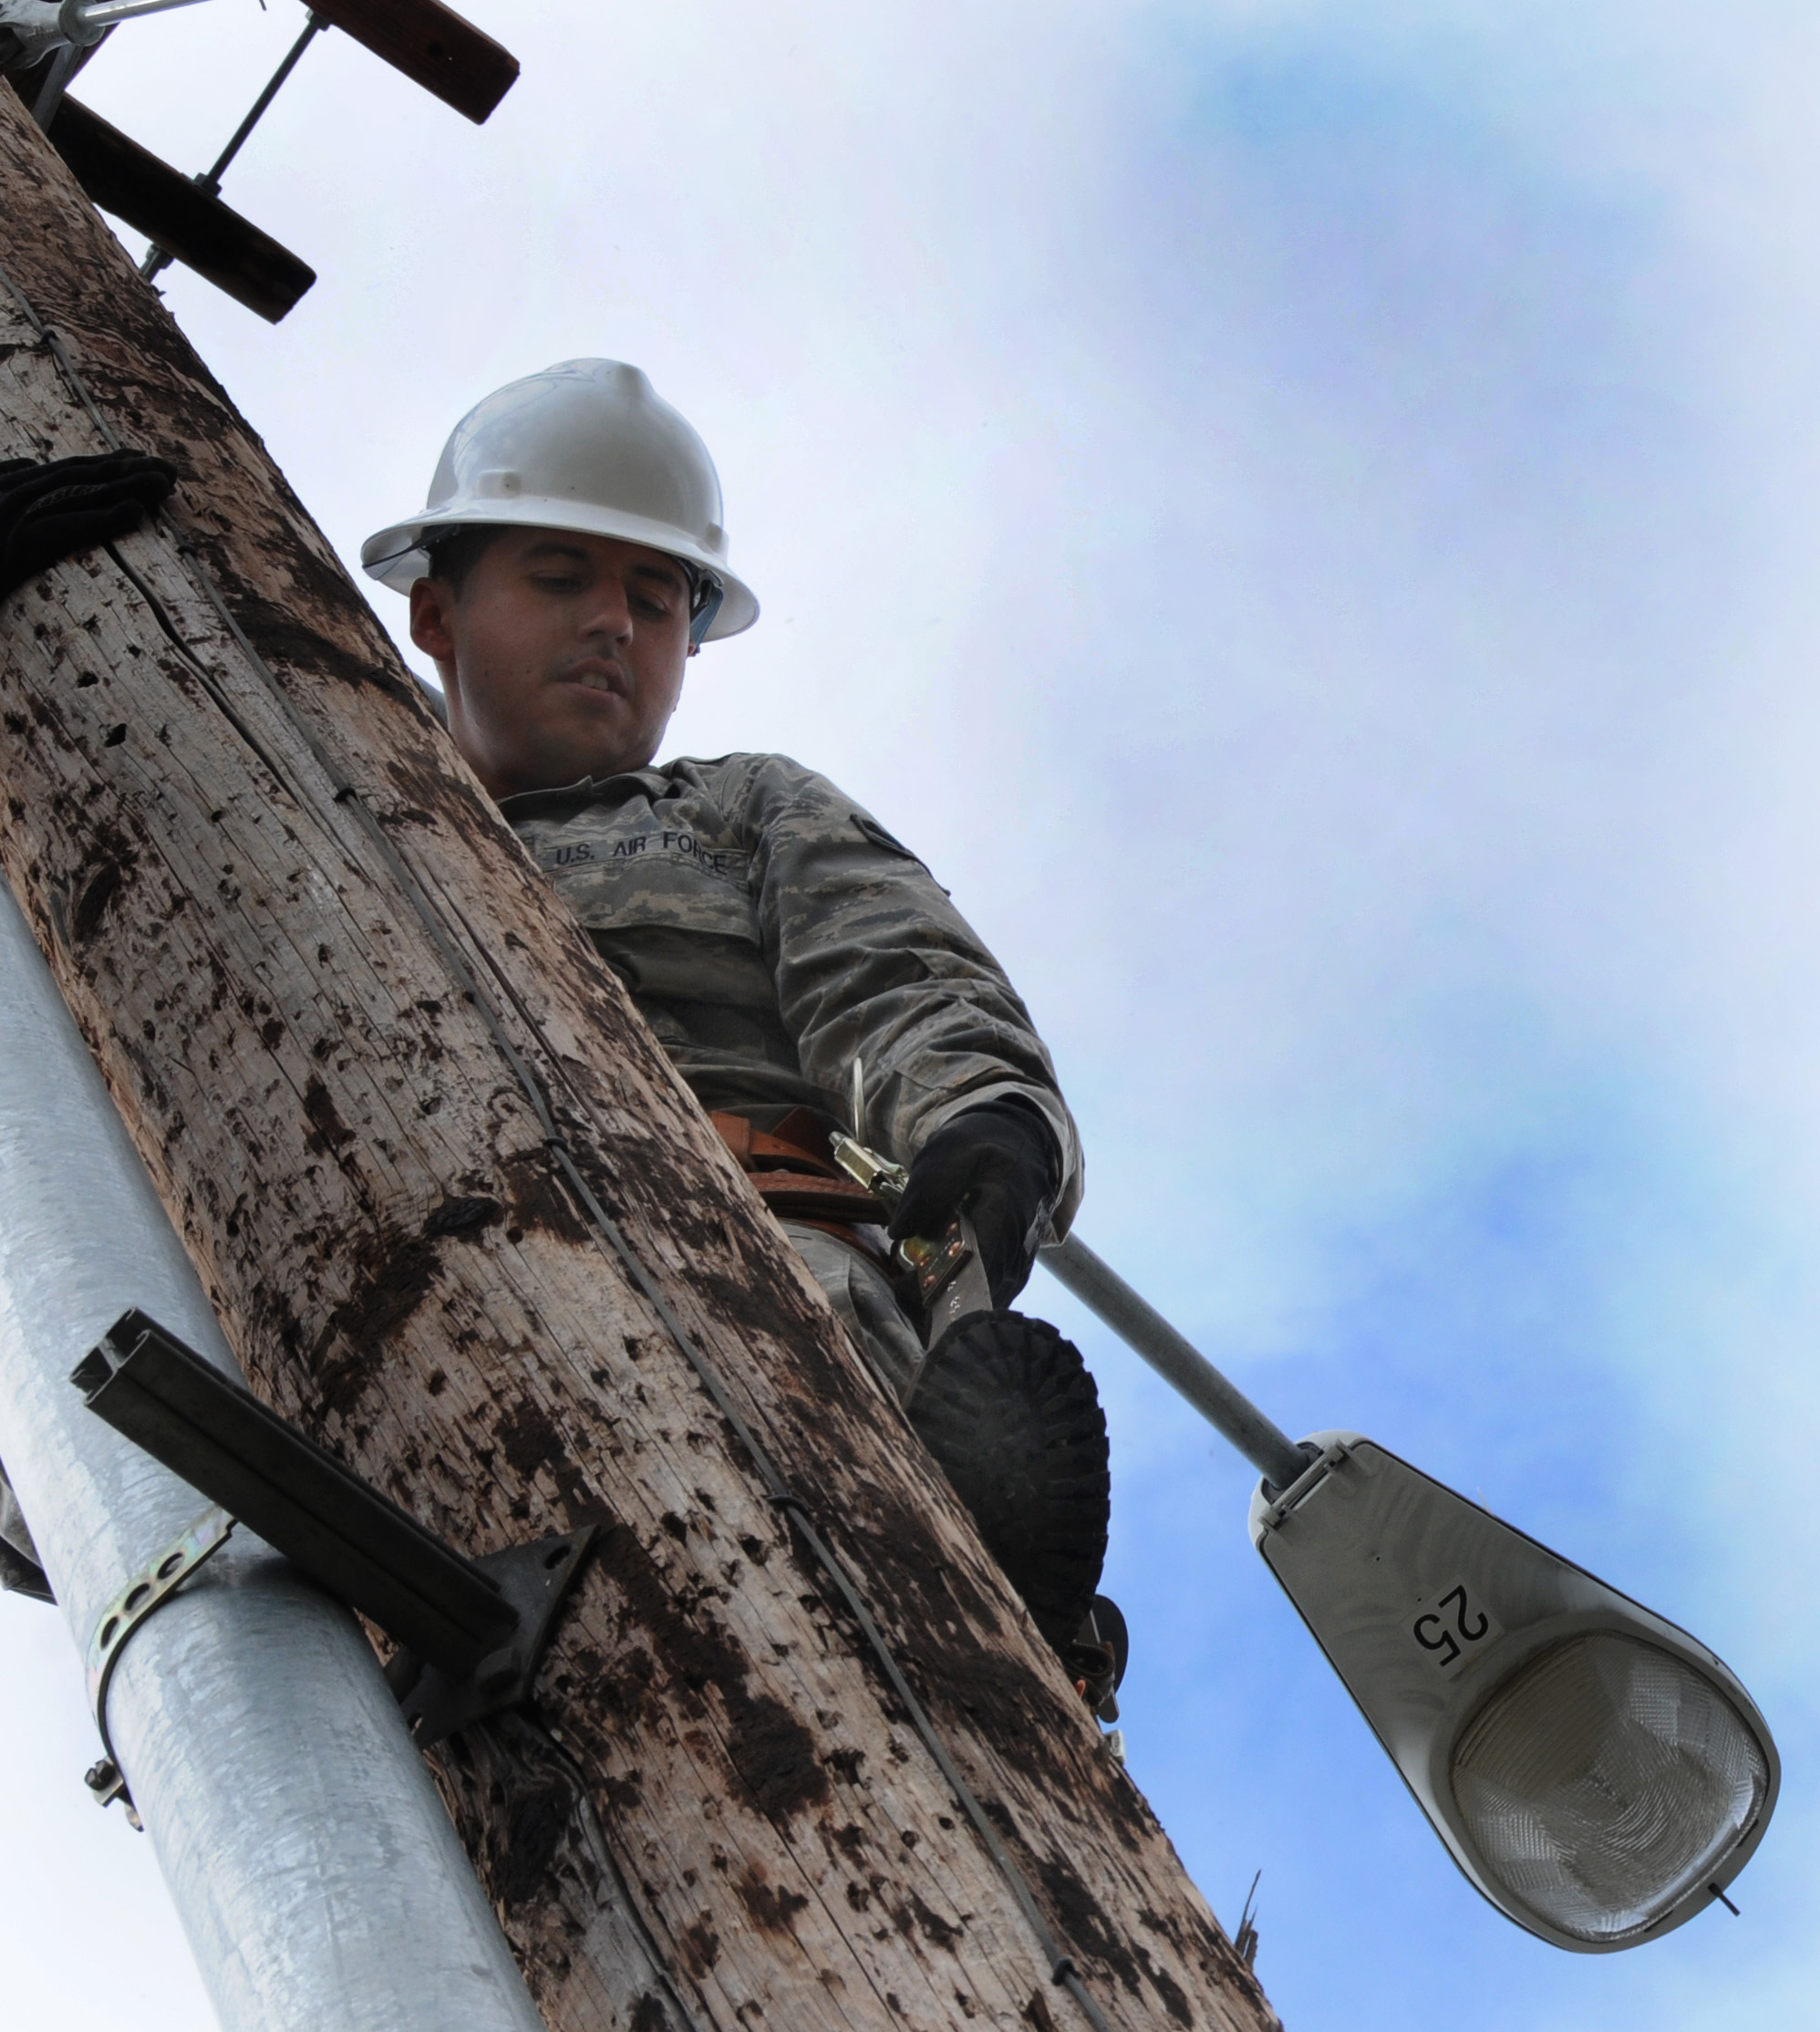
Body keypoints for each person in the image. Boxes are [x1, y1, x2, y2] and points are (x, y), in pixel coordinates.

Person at [0, 385, 1122, 1705]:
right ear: (436, 612)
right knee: (150, 1474)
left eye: (661, 600)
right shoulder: (268, 818)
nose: (616, 624)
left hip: (735, 1279)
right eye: (562, 576)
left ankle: (944, 1560)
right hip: (349, 1320)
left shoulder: (731, 808)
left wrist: (982, 1128)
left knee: (804, 1511)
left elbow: (901, 985)